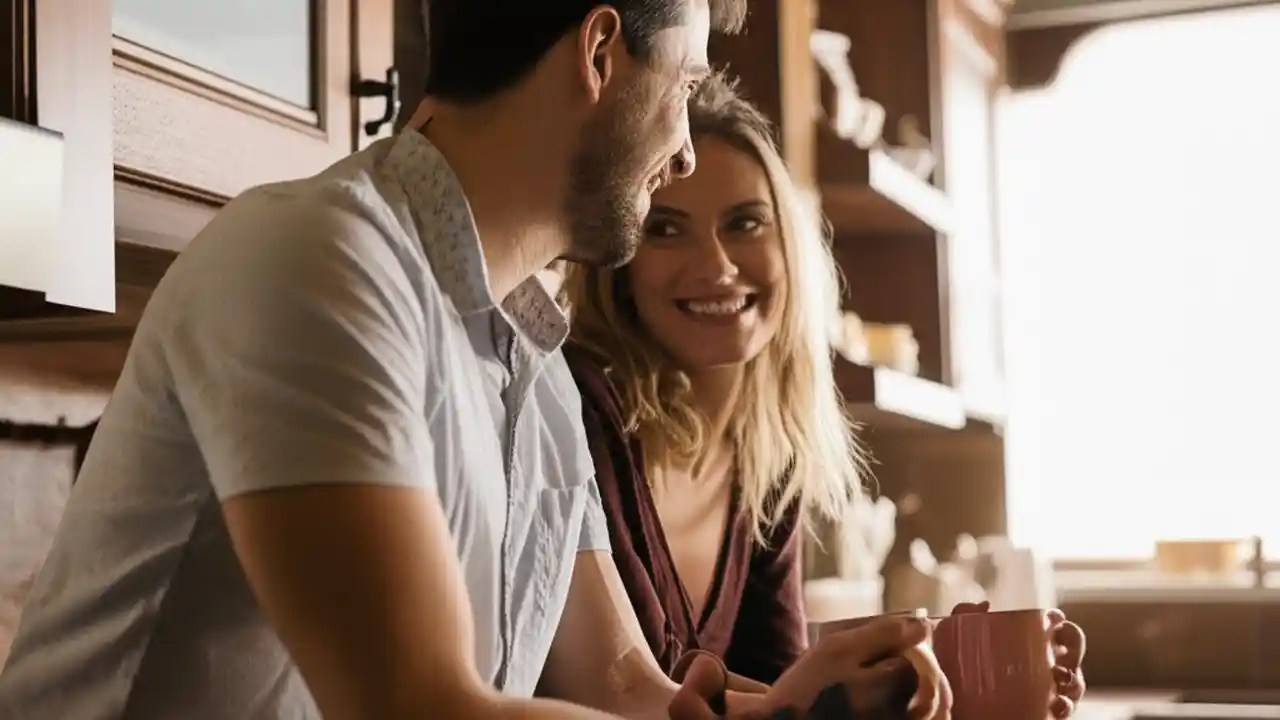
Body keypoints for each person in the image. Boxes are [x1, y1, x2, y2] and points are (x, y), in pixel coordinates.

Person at [0, 2, 954, 719]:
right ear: (598, 52)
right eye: (683, 91)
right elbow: (419, 708)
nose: (686, 152)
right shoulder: (318, 261)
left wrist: (803, 707)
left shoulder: (534, 368)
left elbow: (623, 682)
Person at [564, 72, 1089, 716]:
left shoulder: (767, 463)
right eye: (665, 230)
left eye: (746, 223)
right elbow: (622, 695)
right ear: (619, 259)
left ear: (790, 243)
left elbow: (780, 688)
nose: (718, 266)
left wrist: (931, 678)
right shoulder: (581, 412)